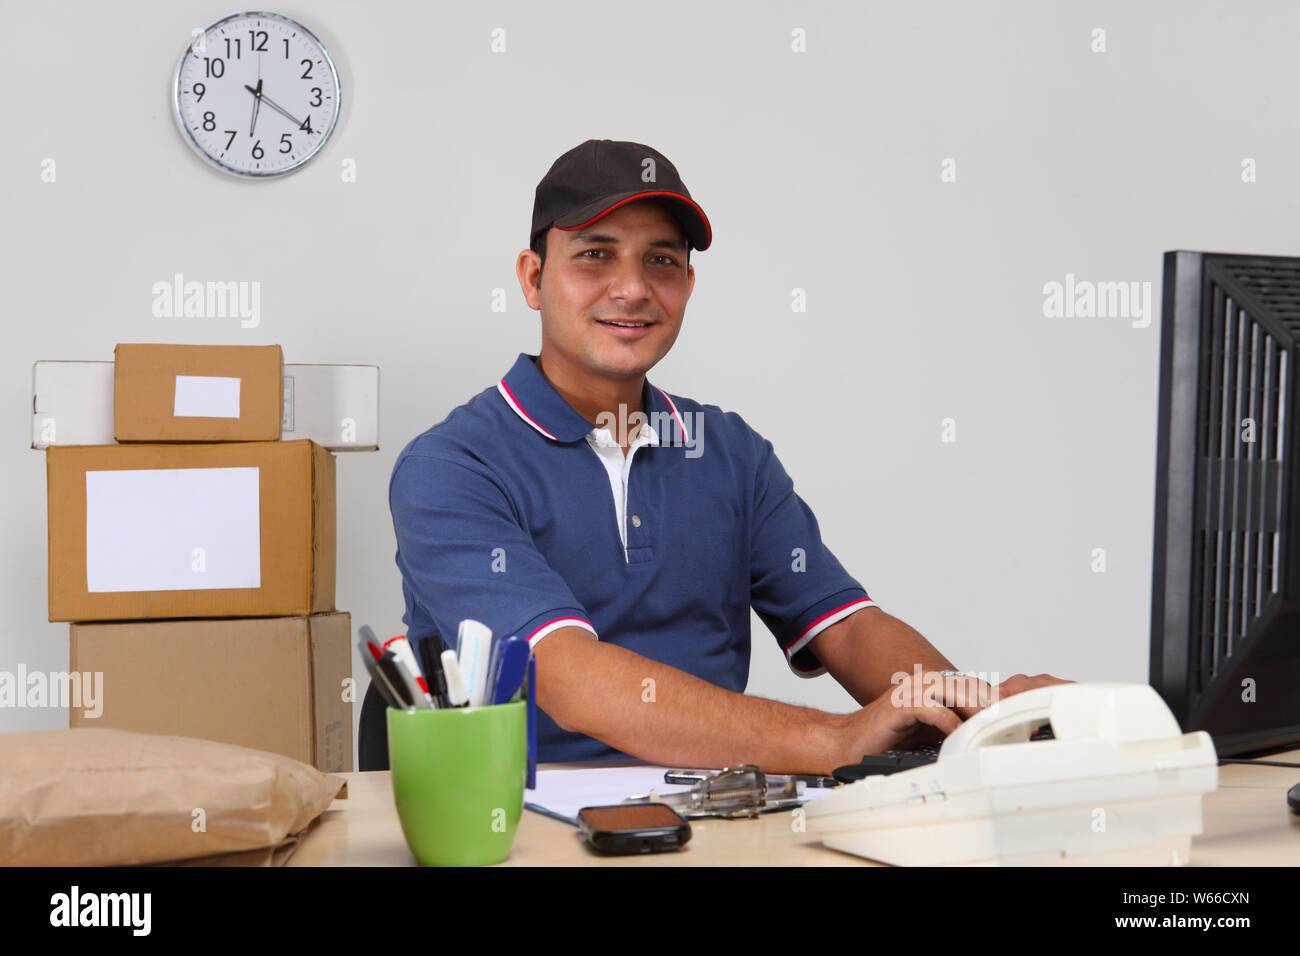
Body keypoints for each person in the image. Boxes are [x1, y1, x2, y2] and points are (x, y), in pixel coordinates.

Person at [388, 139, 1067, 774]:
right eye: (596, 255)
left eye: (662, 260)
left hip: (719, 809)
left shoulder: (729, 450)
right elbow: (568, 677)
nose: (632, 289)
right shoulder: (451, 466)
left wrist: (976, 720)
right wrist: (835, 739)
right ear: (534, 278)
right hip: (523, 826)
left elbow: (848, 628)